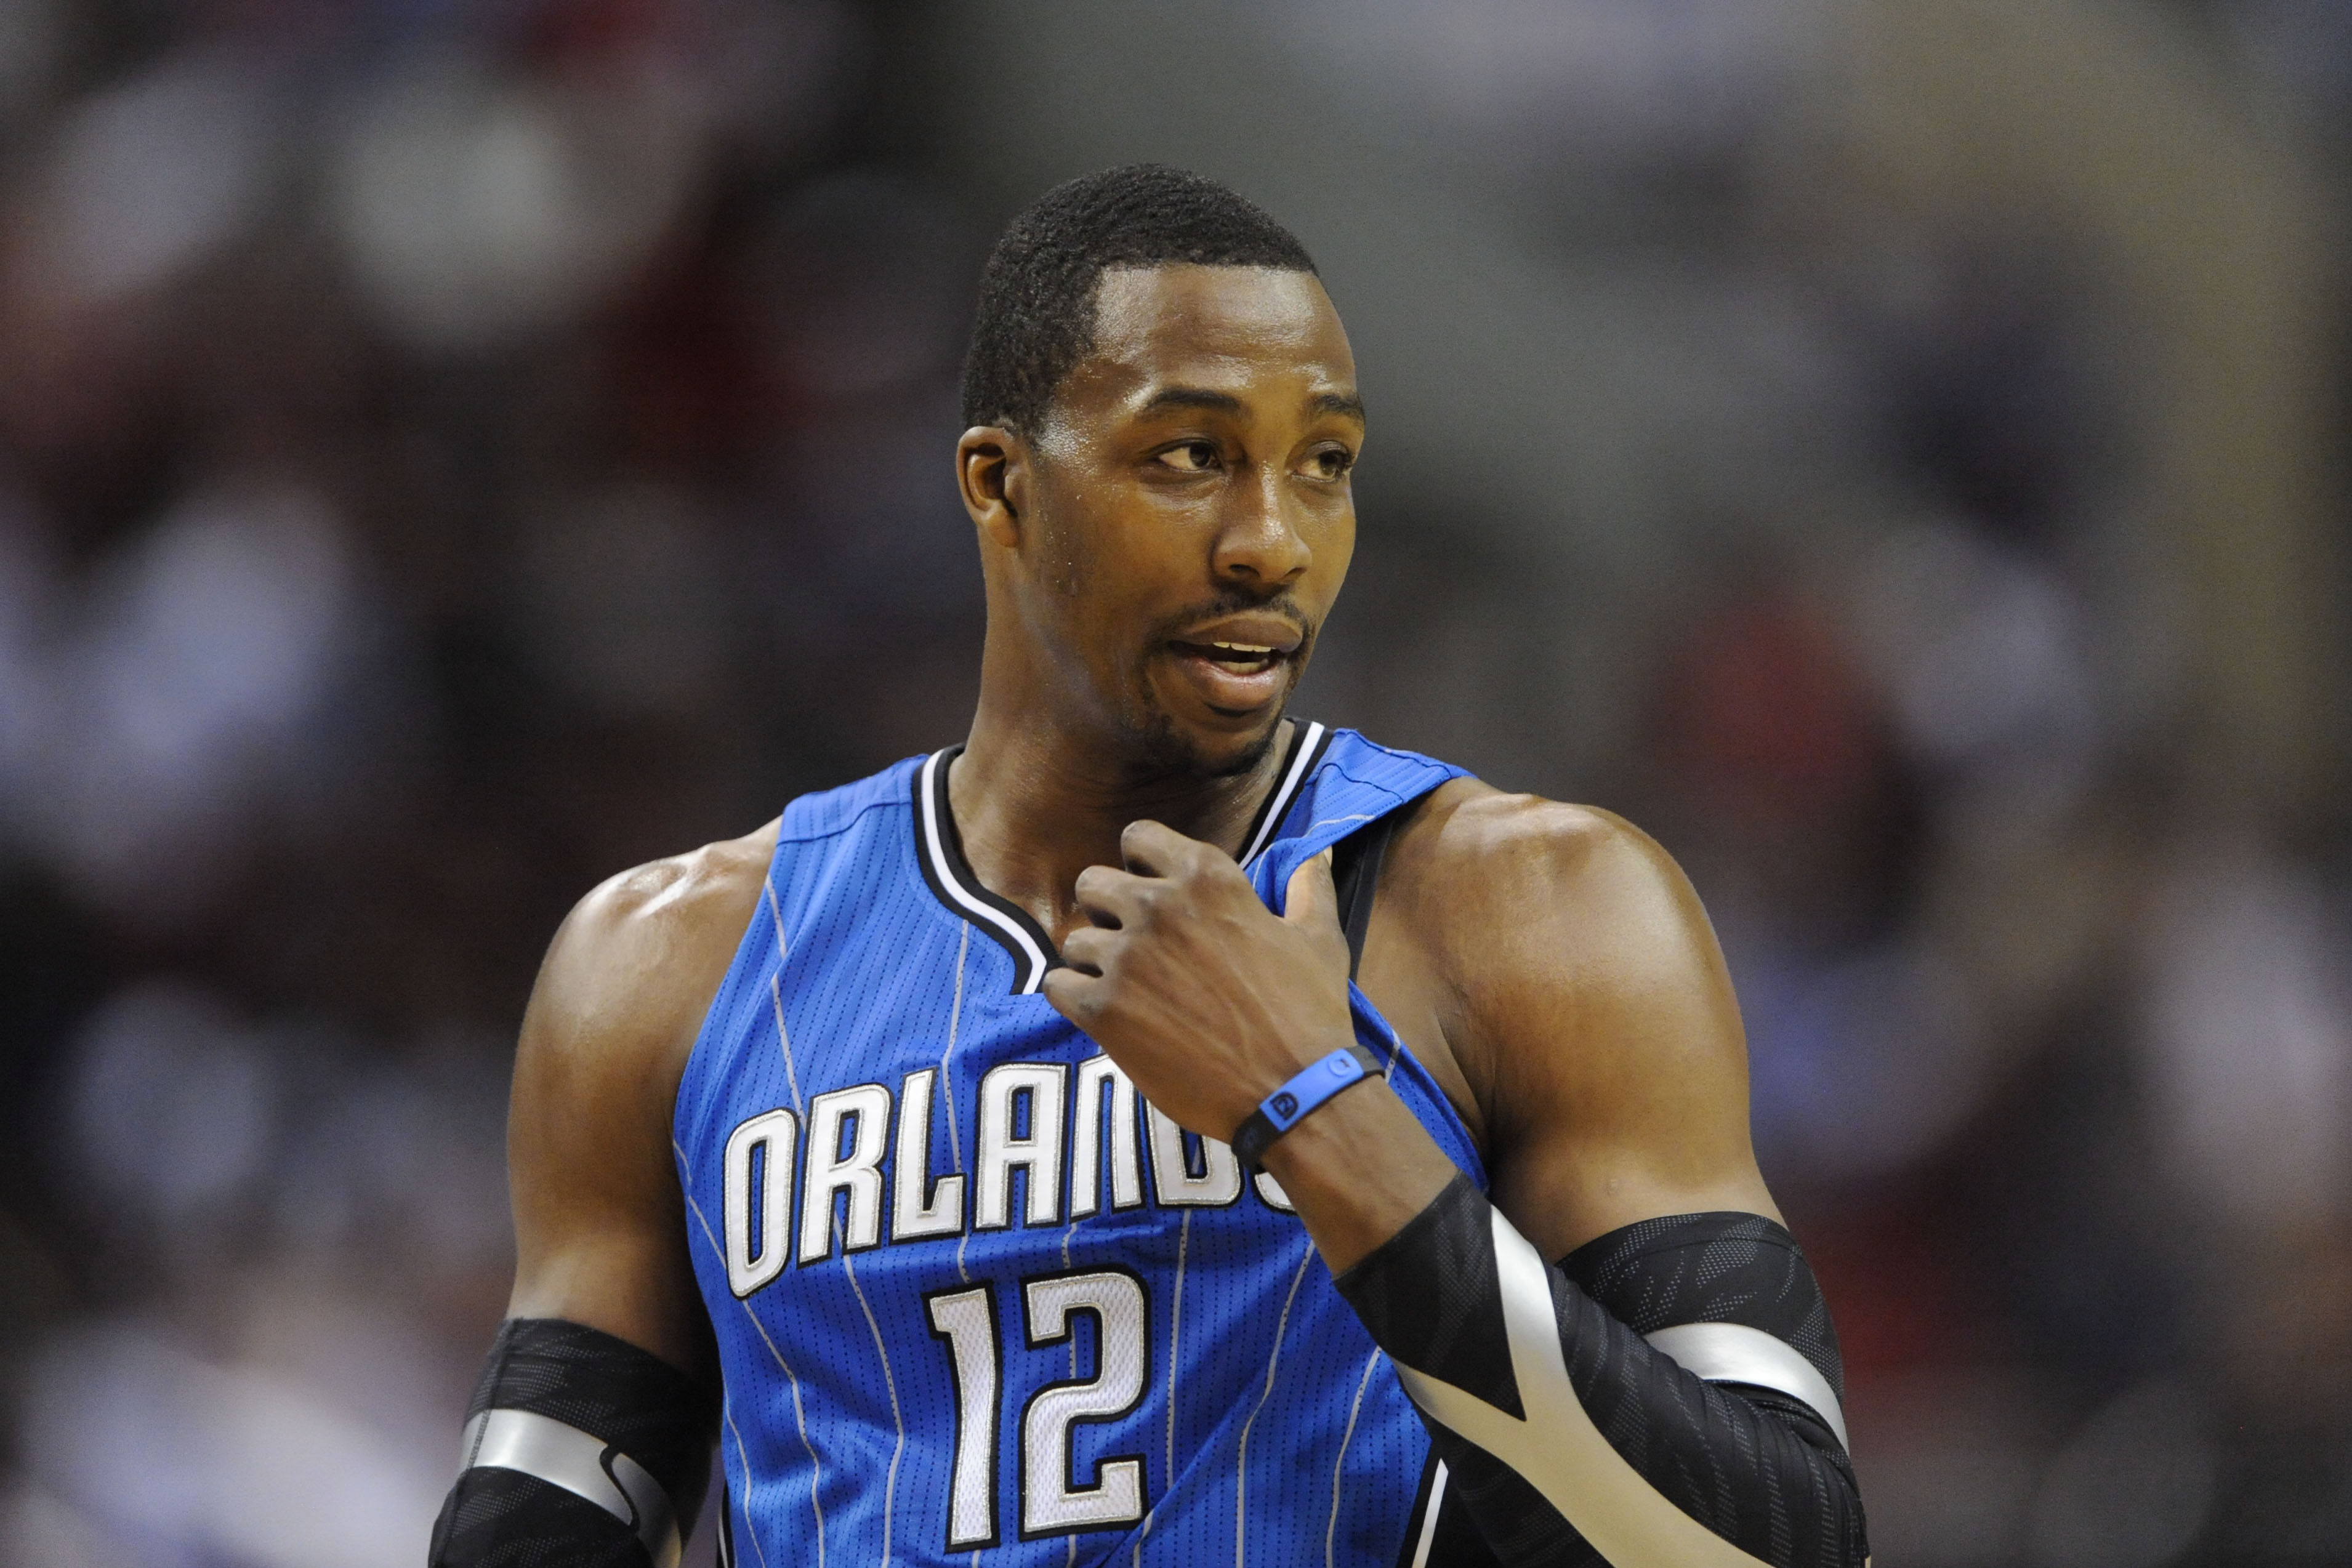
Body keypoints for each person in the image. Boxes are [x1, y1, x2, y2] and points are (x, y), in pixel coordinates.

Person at [428, 164, 1867, 1568]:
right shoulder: (664, 964)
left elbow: (1779, 1543)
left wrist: (1317, 1106)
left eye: (1323, 465)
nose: (1269, 542)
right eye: (1190, 456)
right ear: (1000, 483)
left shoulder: (1532, 908)